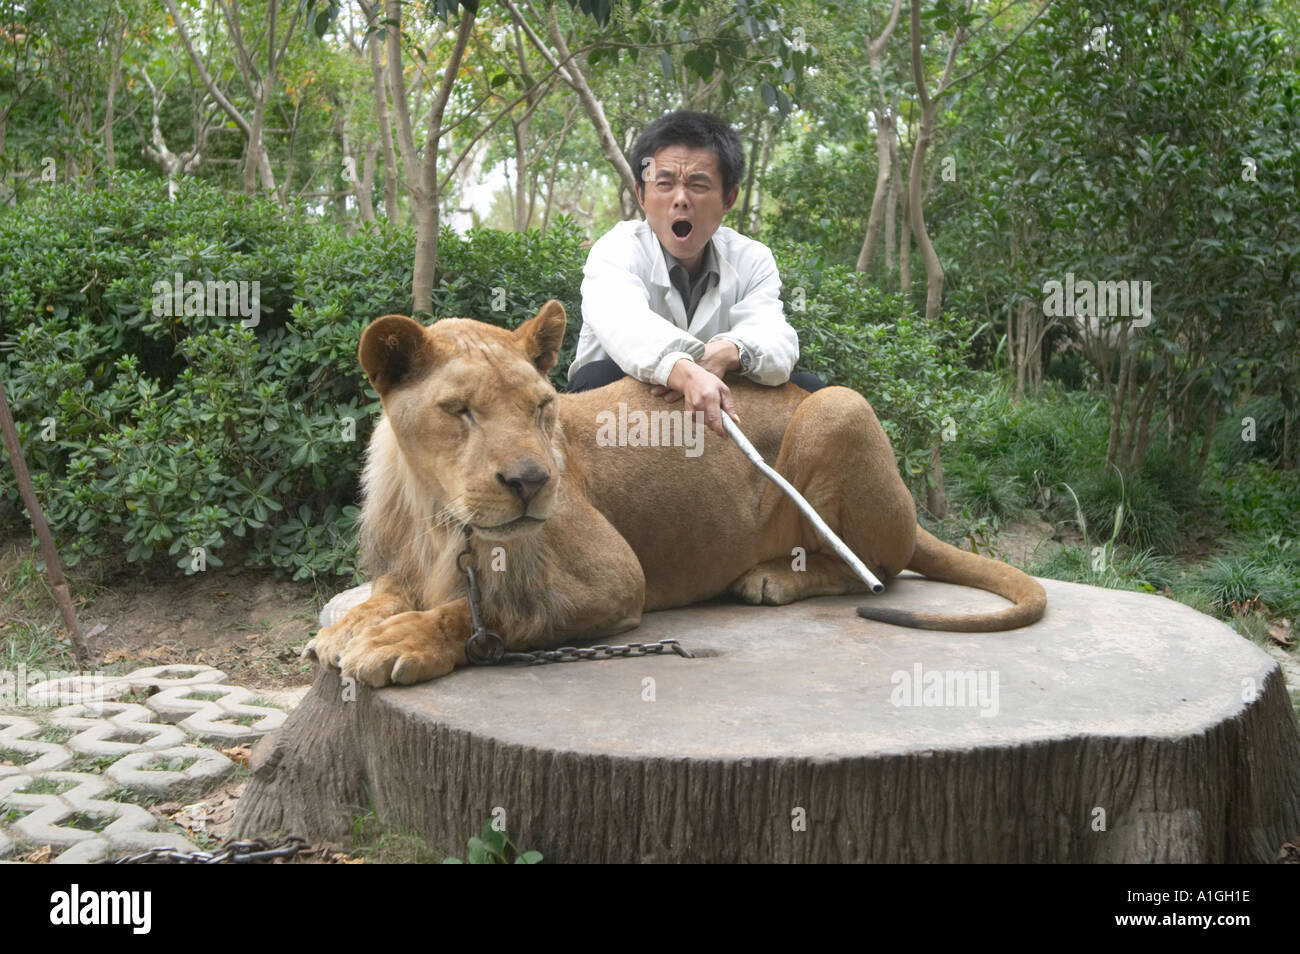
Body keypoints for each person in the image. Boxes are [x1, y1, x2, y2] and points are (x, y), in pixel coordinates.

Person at [566, 110, 824, 436]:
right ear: (641, 195)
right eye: (665, 184)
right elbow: (624, 323)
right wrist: (683, 370)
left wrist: (733, 352)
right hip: (623, 420)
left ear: (728, 198)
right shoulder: (615, 250)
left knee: (809, 391)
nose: (681, 200)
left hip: (715, 408)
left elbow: (777, 341)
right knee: (596, 377)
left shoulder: (752, 259)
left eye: (698, 184)